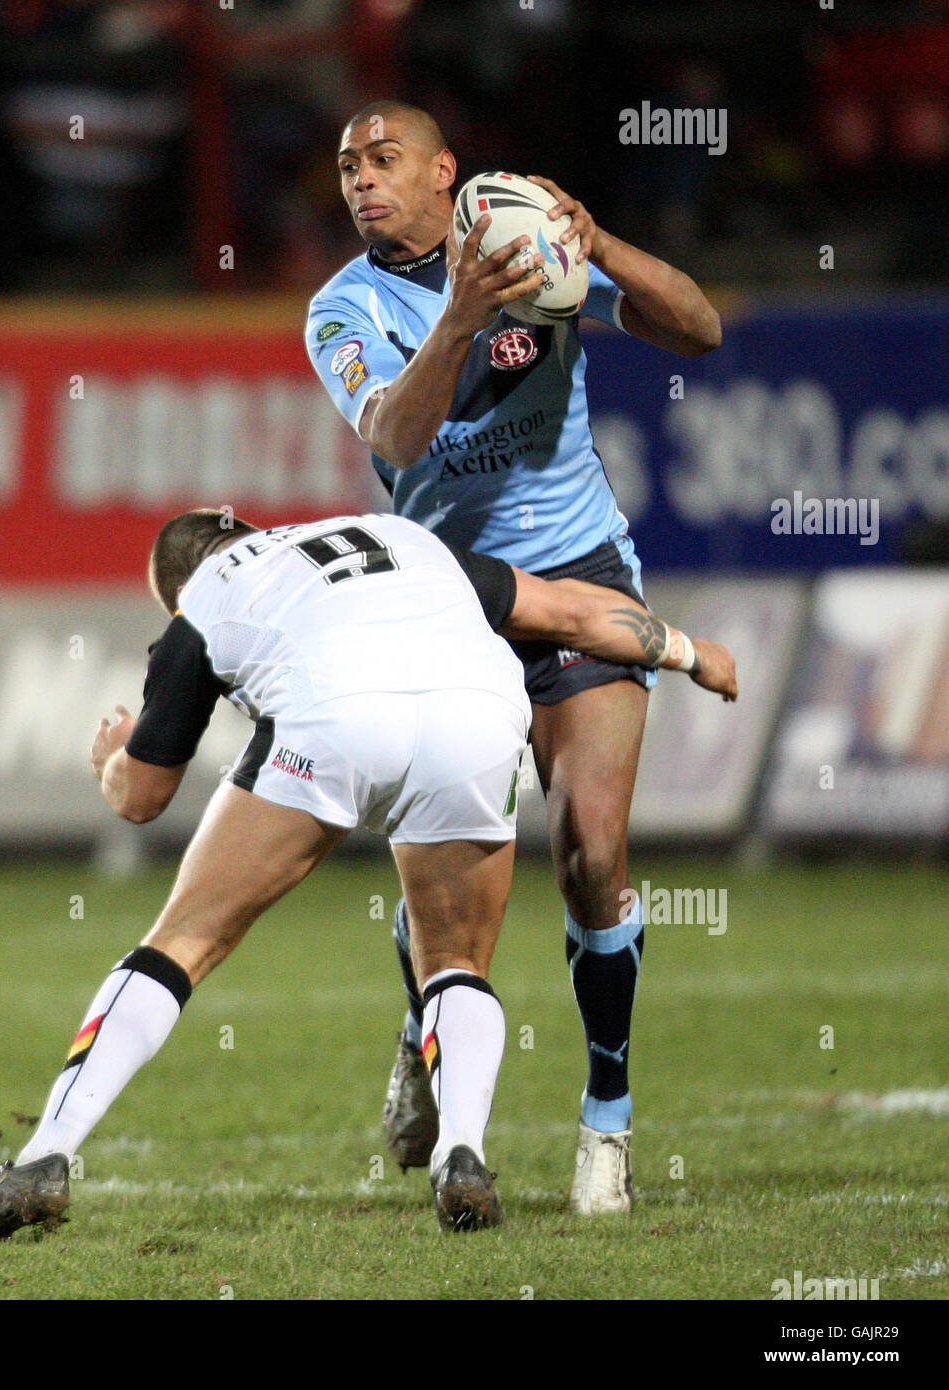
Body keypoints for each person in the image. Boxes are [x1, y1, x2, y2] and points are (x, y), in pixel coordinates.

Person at [0, 510, 735, 1240]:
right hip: (478, 710)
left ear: (175, 586)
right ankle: (460, 1149)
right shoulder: (398, 533)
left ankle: (47, 1155)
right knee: (454, 961)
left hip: (335, 715)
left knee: (182, 942)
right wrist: (689, 652)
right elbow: (569, 612)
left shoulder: (206, 598)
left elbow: (142, 797)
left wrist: (110, 755)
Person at [306, 100, 723, 1211]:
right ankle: (422, 1027)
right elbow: (394, 436)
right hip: (452, 608)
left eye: (384, 161)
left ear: (445, 172)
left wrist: (597, 243)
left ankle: (608, 1123)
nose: (361, 182)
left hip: (583, 577)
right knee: (451, 892)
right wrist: (460, 314)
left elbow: (699, 328)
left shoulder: (526, 240)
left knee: (592, 852)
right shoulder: (342, 309)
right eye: (348, 168)